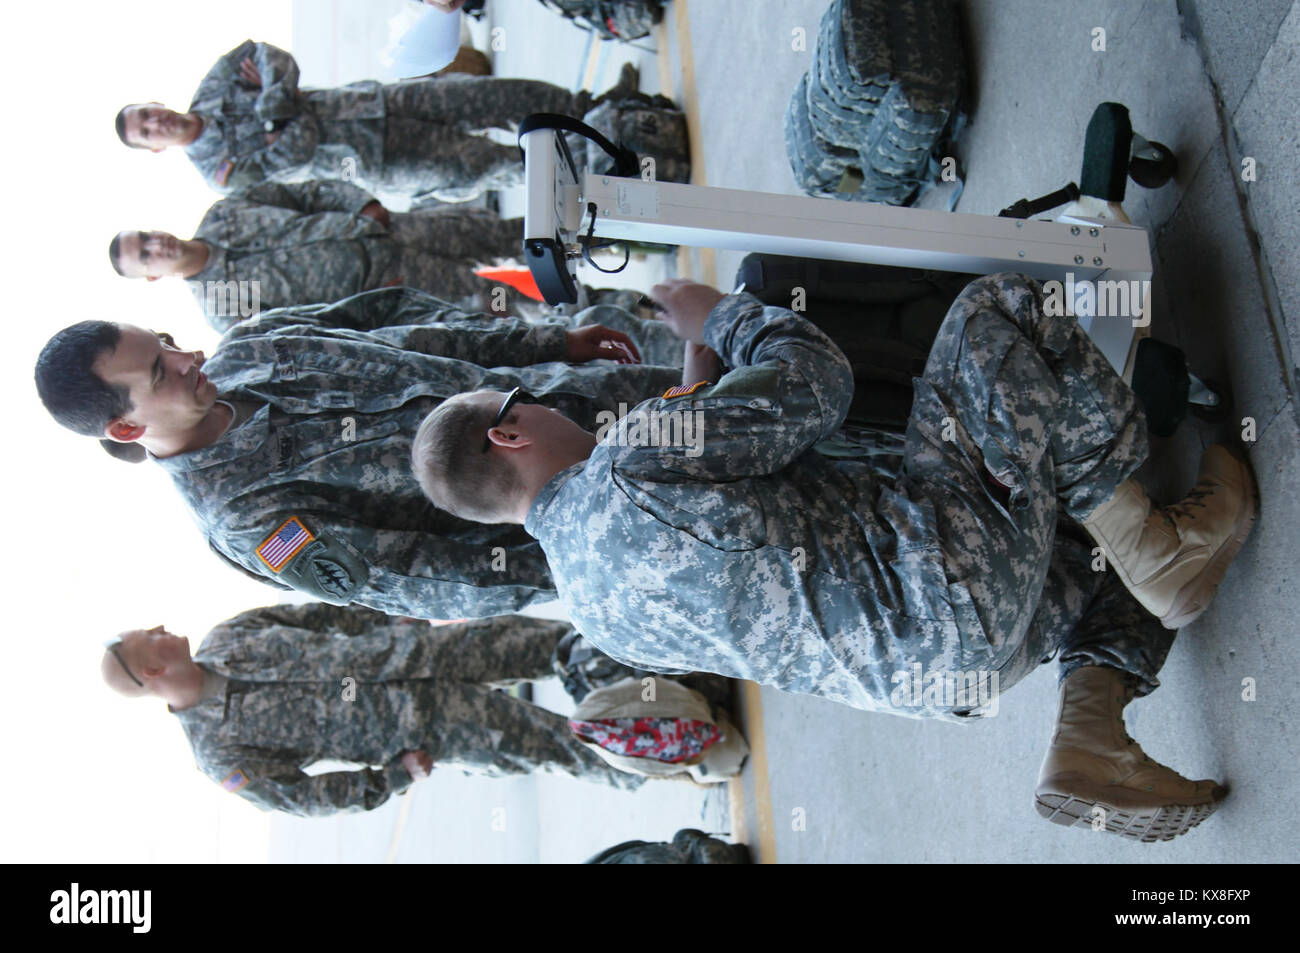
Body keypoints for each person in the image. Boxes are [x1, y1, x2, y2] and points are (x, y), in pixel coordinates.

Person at [411, 273, 1259, 841]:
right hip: (948, 579)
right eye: (529, 399)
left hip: (940, 679)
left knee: (1079, 559)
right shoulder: (629, 461)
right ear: (510, 431)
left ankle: (1092, 732)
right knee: (995, 313)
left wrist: (693, 395)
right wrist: (720, 316)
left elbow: (743, 539)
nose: (552, 402)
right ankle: (1159, 547)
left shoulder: (596, 611)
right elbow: (819, 381)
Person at [34, 287, 682, 618]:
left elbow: (399, 324)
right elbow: (424, 578)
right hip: (602, 512)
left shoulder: (253, 344)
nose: (187, 358)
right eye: (158, 373)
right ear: (125, 429)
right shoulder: (246, 519)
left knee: (746, 409)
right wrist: (590, 558)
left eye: (168, 341)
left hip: (584, 395)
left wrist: (549, 342)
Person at [101, 604, 646, 816]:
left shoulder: (231, 635)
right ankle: (678, 749)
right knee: (565, 746)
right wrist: (390, 778)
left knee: (558, 643)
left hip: (425, 651)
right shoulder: (219, 754)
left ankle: (664, 678)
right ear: (149, 673)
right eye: (147, 638)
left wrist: (393, 620)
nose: (157, 628)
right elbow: (302, 797)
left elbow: (317, 616)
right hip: (429, 725)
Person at [114, 39, 630, 202]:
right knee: (501, 165)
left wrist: (275, 105)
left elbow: (272, 56)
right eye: (146, 132)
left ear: (156, 103)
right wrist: (283, 104)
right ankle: (615, 180)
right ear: (155, 149)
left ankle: (613, 111)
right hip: (381, 159)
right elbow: (290, 156)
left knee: (500, 97)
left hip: (376, 103)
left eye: (147, 113)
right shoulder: (218, 173)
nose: (155, 122)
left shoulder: (214, 85)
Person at [109, 181, 534, 331]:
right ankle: (591, 308)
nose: (156, 245)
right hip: (394, 283)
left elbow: (307, 192)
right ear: (152, 277)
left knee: (506, 233)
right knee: (503, 299)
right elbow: (313, 326)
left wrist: (361, 203)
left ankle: (593, 228)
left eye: (147, 236)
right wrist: (376, 307)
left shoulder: (224, 214)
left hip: (388, 228)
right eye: (145, 256)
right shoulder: (222, 304)